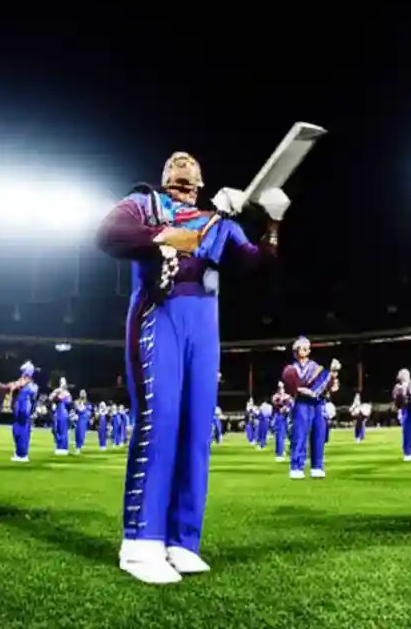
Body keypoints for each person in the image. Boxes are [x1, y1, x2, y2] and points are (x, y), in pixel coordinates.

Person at [96, 150, 285, 584]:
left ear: (200, 181)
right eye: (175, 164)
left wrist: (270, 221)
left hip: (206, 321)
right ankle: (141, 543)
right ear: (164, 177)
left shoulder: (220, 222)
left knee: (197, 429)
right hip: (160, 313)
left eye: (190, 165)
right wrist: (191, 227)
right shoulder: (144, 204)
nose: (183, 165)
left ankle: (182, 541)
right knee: (159, 420)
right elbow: (109, 233)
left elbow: (257, 265)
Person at [283, 337, 341, 480]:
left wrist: (333, 374)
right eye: (300, 348)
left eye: (306, 348)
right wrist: (302, 391)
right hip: (302, 403)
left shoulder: (316, 367)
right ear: (295, 351)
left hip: (318, 403)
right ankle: (296, 467)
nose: (303, 350)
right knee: (300, 435)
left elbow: (329, 387)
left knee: (319, 435)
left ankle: (317, 466)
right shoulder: (291, 369)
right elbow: (292, 388)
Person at [50, 379, 73, 456]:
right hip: (57, 412)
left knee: (63, 429)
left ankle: (63, 448)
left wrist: (62, 397)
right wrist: (56, 394)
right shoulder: (57, 391)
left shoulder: (67, 393)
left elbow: (69, 402)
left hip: (63, 412)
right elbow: (50, 398)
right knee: (57, 429)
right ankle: (58, 446)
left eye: (64, 382)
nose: (62, 384)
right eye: (61, 382)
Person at [271, 381, 292, 460]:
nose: (281, 389)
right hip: (279, 417)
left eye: (282, 387)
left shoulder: (287, 396)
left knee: (290, 435)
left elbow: (291, 404)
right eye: (279, 388)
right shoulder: (275, 396)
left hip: (287, 417)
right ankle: (279, 453)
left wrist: (287, 407)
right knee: (279, 435)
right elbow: (276, 404)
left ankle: (290, 450)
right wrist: (284, 404)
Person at [74, 389, 92, 454]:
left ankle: (79, 446)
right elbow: (75, 410)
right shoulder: (77, 402)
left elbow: (89, 412)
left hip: (84, 419)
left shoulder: (88, 403)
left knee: (82, 433)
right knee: (77, 432)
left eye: (84, 393)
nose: (82, 394)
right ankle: (78, 445)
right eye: (81, 393)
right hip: (78, 419)